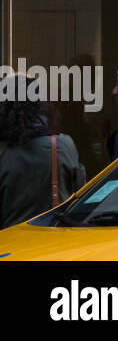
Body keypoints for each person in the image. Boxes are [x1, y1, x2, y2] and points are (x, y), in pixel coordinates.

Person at [0, 77, 86, 228]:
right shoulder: (61, 145)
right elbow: (81, 192)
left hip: (8, 243)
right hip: (49, 242)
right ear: (39, 106)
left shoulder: (4, 151)